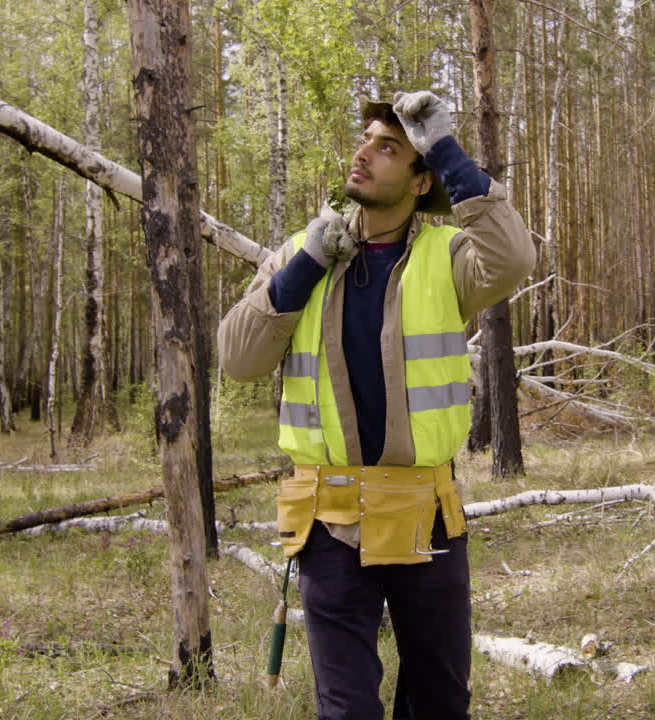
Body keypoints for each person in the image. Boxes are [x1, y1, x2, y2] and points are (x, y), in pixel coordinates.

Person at [217, 90, 535, 720]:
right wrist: (305, 264)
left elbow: (513, 258)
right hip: (329, 520)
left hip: (428, 514)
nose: (363, 153)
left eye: (387, 147)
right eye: (364, 140)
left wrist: (444, 147)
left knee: (441, 702)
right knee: (346, 708)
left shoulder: (447, 258)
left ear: (421, 182)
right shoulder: (303, 255)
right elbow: (238, 358)